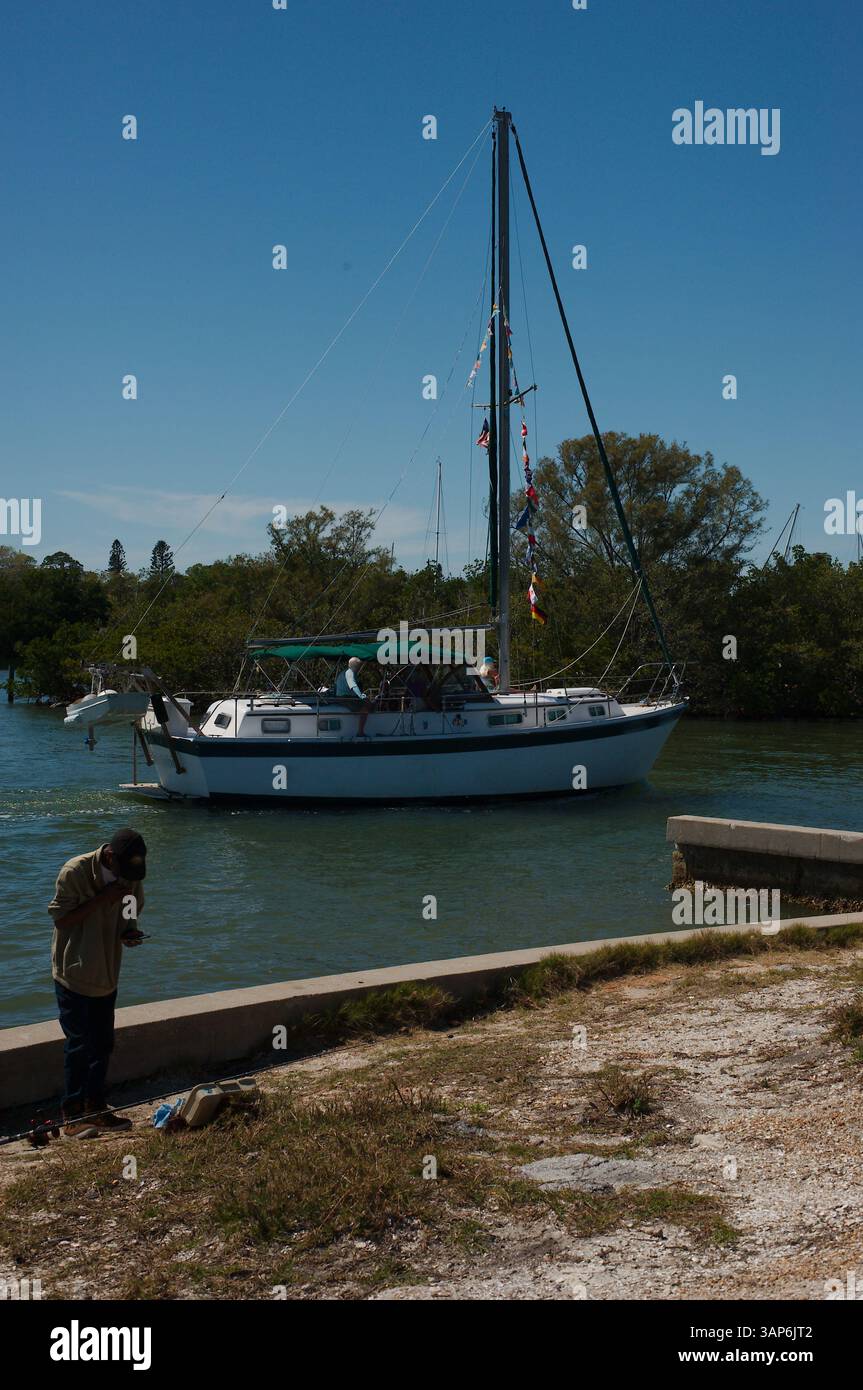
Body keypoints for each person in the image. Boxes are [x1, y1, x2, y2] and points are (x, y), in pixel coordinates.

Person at [48, 829, 147, 1138]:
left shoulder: (130, 875)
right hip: (74, 973)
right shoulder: (75, 872)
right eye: (125, 871)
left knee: (103, 1044)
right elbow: (61, 920)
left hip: (106, 973)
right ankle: (72, 1116)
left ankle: (97, 1108)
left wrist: (129, 932)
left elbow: (131, 910)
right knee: (78, 1045)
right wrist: (102, 899)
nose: (130, 878)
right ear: (108, 858)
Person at [336, 656, 372, 737]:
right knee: (365, 709)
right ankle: (360, 732)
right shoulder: (350, 673)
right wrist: (361, 696)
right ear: (355, 666)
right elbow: (353, 686)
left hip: (343, 697)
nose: (359, 668)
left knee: (367, 703)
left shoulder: (345, 672)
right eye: (358, 666)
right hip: (345, 698)